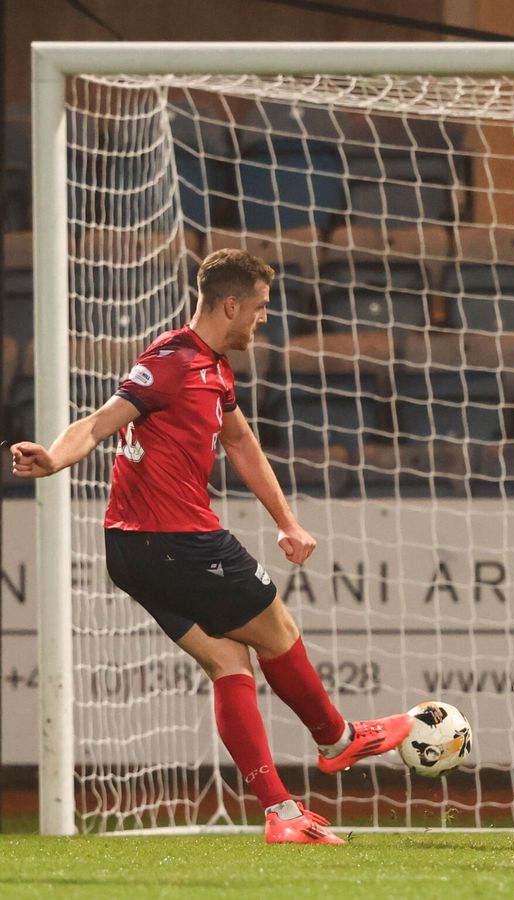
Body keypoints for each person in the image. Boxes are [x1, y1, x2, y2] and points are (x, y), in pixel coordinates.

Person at [11, 249, 415, 844]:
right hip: (176, 540)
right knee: (277, 629)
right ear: (231, 304)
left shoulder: (215, 368)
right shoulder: (170, 362)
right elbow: (99, 422)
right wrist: (53, 457)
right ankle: (336, 739)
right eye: (259, 308)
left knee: (229, 663)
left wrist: (288, 522)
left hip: (133, 550)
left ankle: (280, 814)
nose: (264, 319)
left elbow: (242, 443)